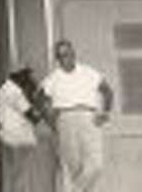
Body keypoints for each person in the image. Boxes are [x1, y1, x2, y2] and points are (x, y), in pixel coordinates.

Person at [38, 40, 112, 191]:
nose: (64, 59)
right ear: (57, 59)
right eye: (60, 56)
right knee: (75, 169)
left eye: (67, 54)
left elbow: (108, 91)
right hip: (65, 119)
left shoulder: (89, 72)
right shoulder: (53, 78)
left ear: (74, 54)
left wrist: (105, 112)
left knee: (96, 165)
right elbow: (39, 98)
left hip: (88, 117)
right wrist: (50, 120)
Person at [0, 67, 54, 192]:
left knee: (15, 174)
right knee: (20, 175)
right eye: (27, 78)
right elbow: (32, 116)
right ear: (20, 76)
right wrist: (41, 104)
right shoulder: (14, 92)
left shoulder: (5, 88)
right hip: (18, 139)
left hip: (10, 137)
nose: (29, 81)